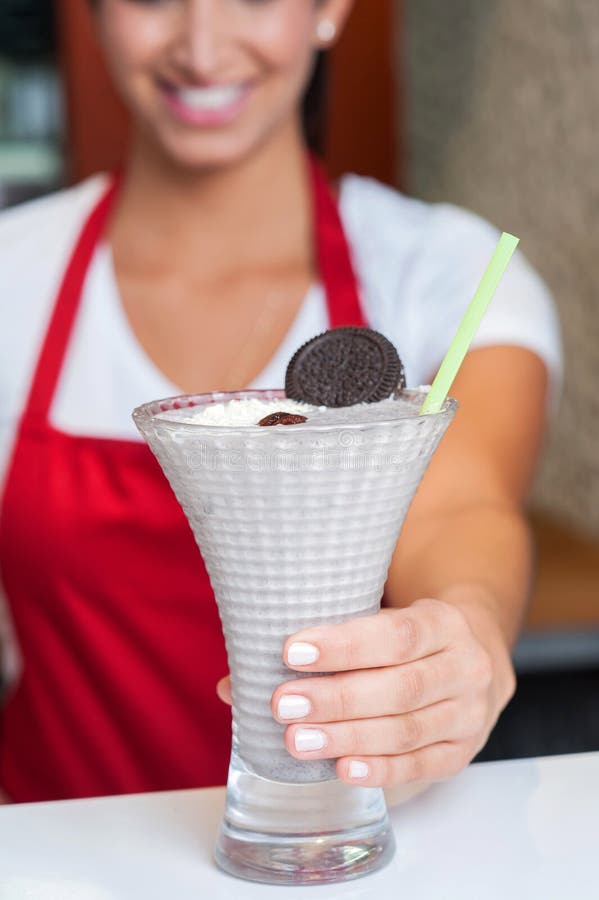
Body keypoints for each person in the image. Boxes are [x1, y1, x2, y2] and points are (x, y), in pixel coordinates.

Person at [0, 0, 561, 803]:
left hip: (348, 856)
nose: (201, 44)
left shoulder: (446, 275)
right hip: (49, 858)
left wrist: (462, 634)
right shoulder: (10, 279)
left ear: (329, 7)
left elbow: (456, 513)